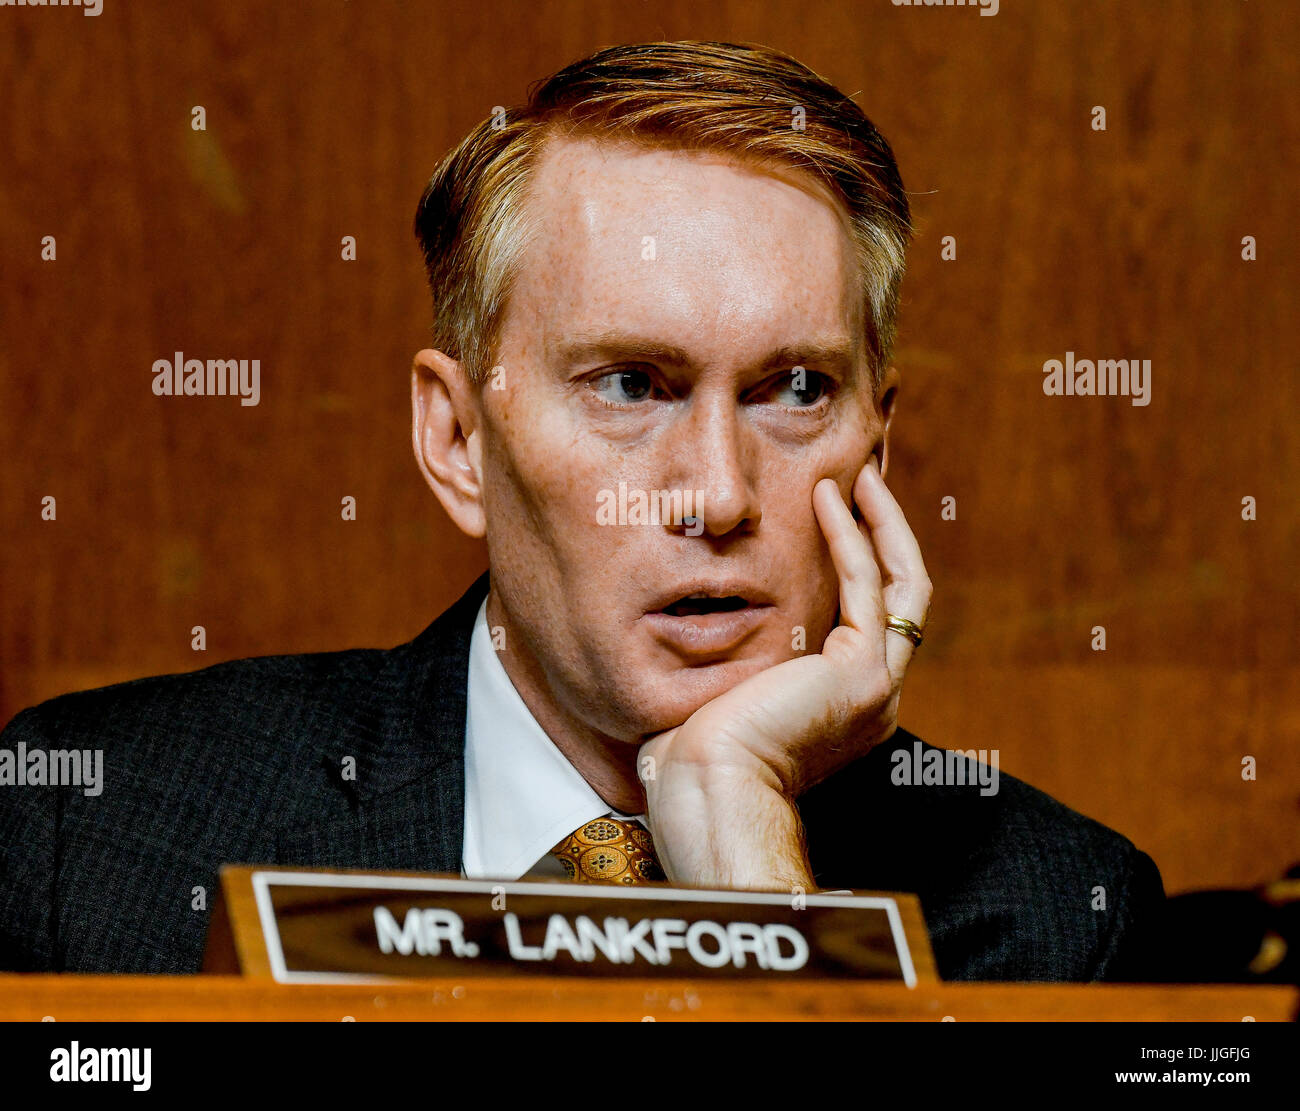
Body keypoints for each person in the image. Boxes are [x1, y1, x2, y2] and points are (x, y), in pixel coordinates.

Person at [0, 40, 1163, 980]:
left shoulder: (1057, 924)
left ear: (877, 445)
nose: (716, 493)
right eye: (629, 386)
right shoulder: (88, 832)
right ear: (457, 441)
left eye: (794, 390)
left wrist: (751, 872)